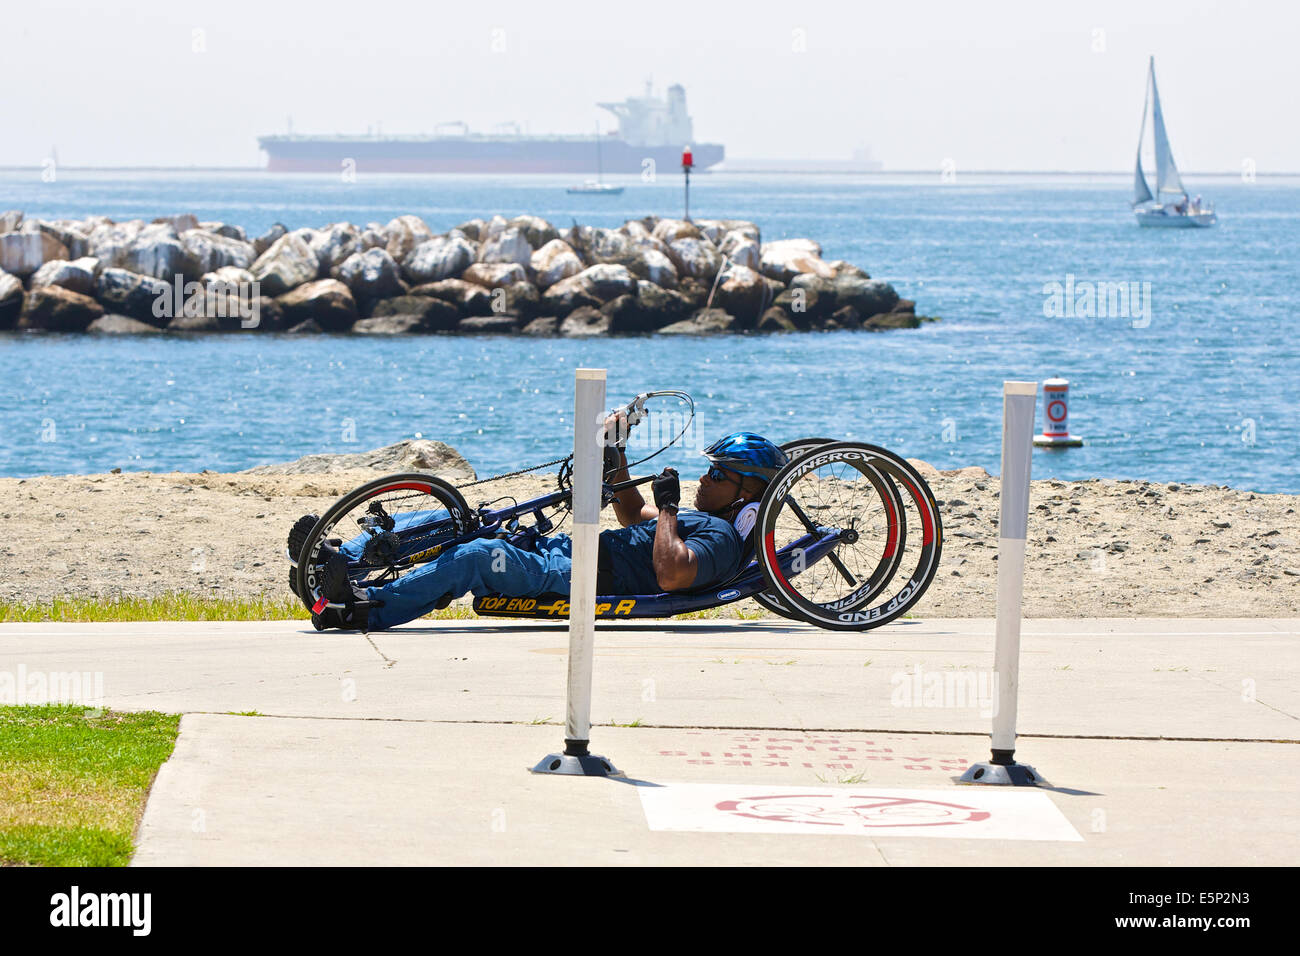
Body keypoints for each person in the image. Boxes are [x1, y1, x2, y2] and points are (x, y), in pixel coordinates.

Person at [302, 429, 788, 631]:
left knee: (475, 557)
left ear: (747, 491)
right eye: (710, 469)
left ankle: (358, 611)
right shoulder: (705, 522)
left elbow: (673, 575)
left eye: (719, 475)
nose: (706, 477)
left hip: (576, 577)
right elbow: (629, 513)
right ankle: (341, 557)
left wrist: (668, 509)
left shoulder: (722, 539)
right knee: (464, 522)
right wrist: (615, 455)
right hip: (561, 549)